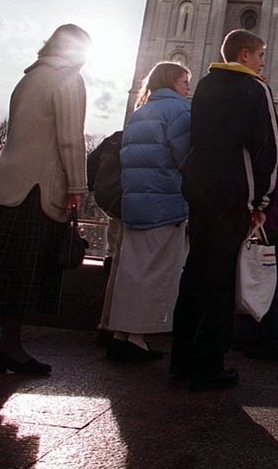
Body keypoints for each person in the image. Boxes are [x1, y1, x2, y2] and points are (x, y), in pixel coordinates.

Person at [0, 24, 91, 376]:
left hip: (4, 184)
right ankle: (10, 348)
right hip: (37, 188)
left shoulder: (29, 77)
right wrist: (77, 186)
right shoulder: (68, 78)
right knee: (21, 269)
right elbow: (70, 139)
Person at [170, 29, 278, 391]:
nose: (262, 62)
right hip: (233, 198)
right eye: (260, 54)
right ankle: (207, 366)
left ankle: (181, 360)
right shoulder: (254, 89)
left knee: (195, 273)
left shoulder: (205, 85)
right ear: (245, 54)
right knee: (220, 280)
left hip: (200, 192)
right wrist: (261, 201)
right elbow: (268, 148)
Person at [103, 61, 191, 363]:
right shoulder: (179, 111)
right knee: (156, 273)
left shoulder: (140, 112)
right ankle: (137, 338)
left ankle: (120, 334)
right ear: (171, 82)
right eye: (184, 82)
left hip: (136, 203)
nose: (188, 88)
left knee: (132, 270)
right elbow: (187, 156)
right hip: (165, 203)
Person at [235, 158, 278, 362]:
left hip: (274, 239)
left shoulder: (276, 179)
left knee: (269, 288)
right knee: (271, 287)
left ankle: (275, 343)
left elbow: (272, 216)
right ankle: (257, 338)